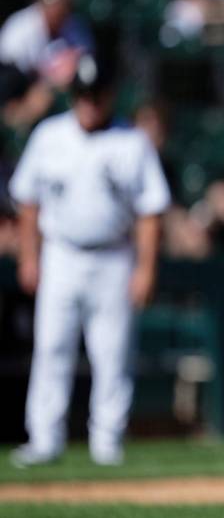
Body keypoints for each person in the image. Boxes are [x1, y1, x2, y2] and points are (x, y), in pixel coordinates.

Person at [7, 54, 171, 467]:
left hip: (113, 256)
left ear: (110, 95)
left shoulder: (131, 141)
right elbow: (27, 200)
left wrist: (146, 268)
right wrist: (29, 257)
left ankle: (107, 441)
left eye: (96, 94)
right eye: (82, 94)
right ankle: (44, 438)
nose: (89, 102)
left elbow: (151, 210)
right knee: (51, 347)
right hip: (61, 254)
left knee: (112, 352)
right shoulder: (50, 135)